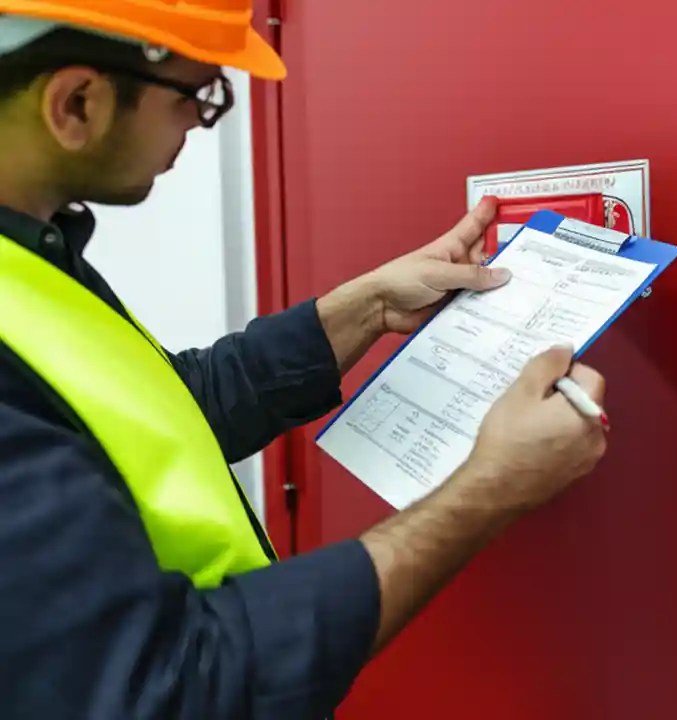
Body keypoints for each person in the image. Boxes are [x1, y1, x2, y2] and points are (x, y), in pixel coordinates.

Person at [0, 3, 609, 718]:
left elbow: (150, 414)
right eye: (199, 96)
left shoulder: (31, 256)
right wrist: (488, 489)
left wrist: (366, 308)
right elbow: (171, 688)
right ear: (77, 103)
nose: (200, 122)